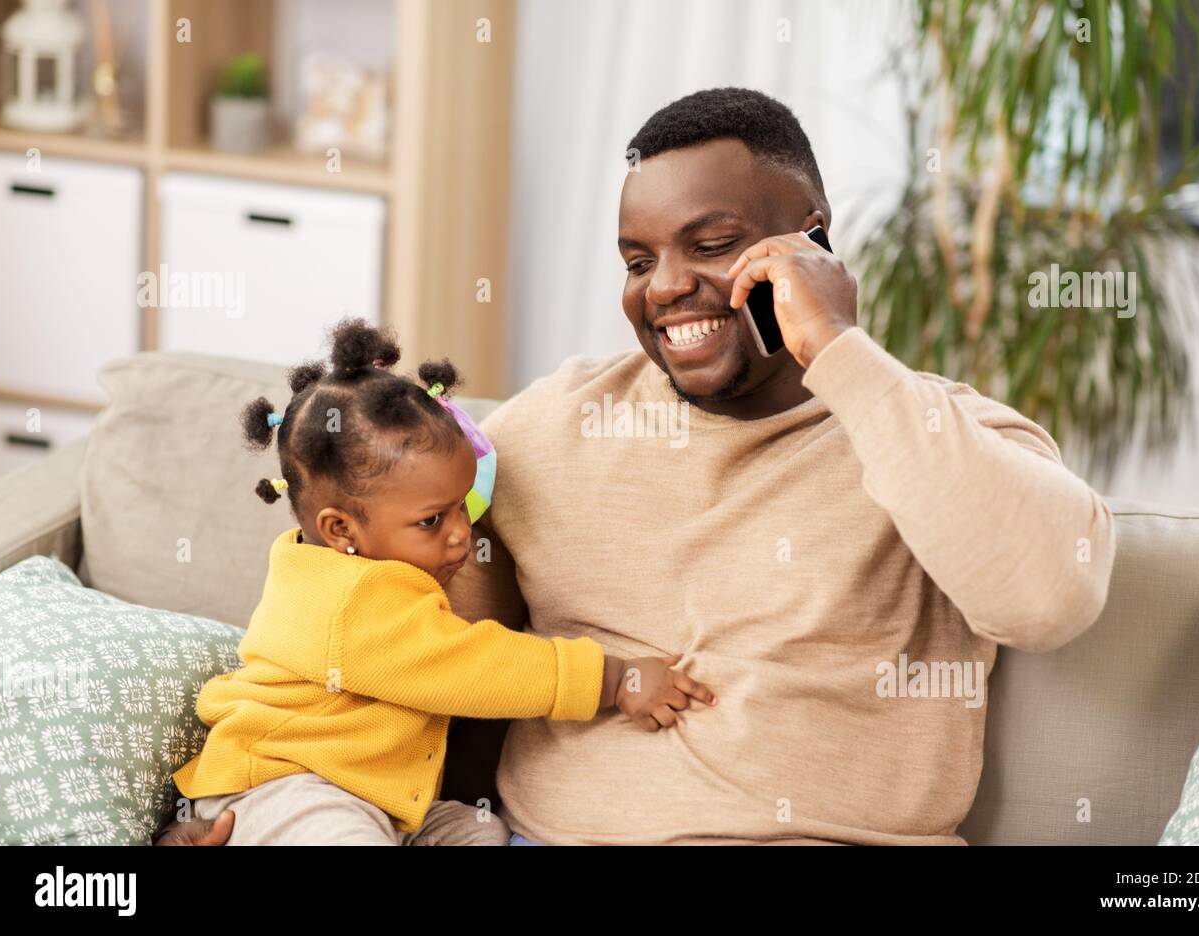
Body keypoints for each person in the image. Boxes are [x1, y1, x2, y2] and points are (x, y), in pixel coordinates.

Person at [167, 87, 1114, 846]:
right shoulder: (549, 429)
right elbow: (363, 623)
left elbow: (1049, 599)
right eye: (637, 258)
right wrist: (242, 810)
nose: (664, 287)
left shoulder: (929, 430)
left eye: (711, 245)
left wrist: (841, 353)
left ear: (814, 239)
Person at [165, 319, 715, 845]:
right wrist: (613, 678)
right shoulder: (356, 600)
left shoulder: (334, 565)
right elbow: (475, 666)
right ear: (340, 529)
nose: (461, 536)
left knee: (479, 831)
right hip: (288, 783)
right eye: (432, 520)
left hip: (375, 793)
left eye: (464, 507)